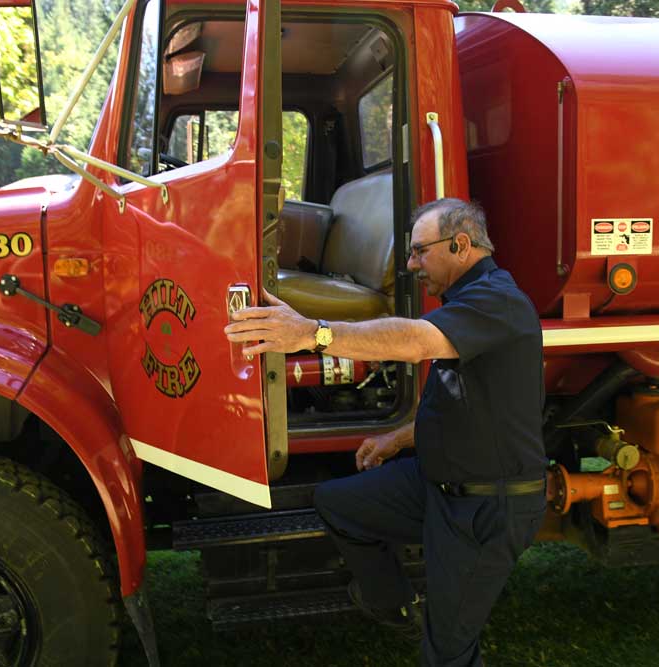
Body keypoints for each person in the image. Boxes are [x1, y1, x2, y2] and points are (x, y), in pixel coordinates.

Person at [224, 198, 548, 667]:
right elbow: (463, 401)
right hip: (435, 486)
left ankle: (432, 624)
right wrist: (396, 438)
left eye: (419, 251)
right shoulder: (467, 305)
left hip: (485, 505)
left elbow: (415, 342)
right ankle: (397, 605)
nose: (412, 265)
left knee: (448, 653)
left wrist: (312, 334)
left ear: (460, 245)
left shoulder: (497, 301)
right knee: (339, 504)